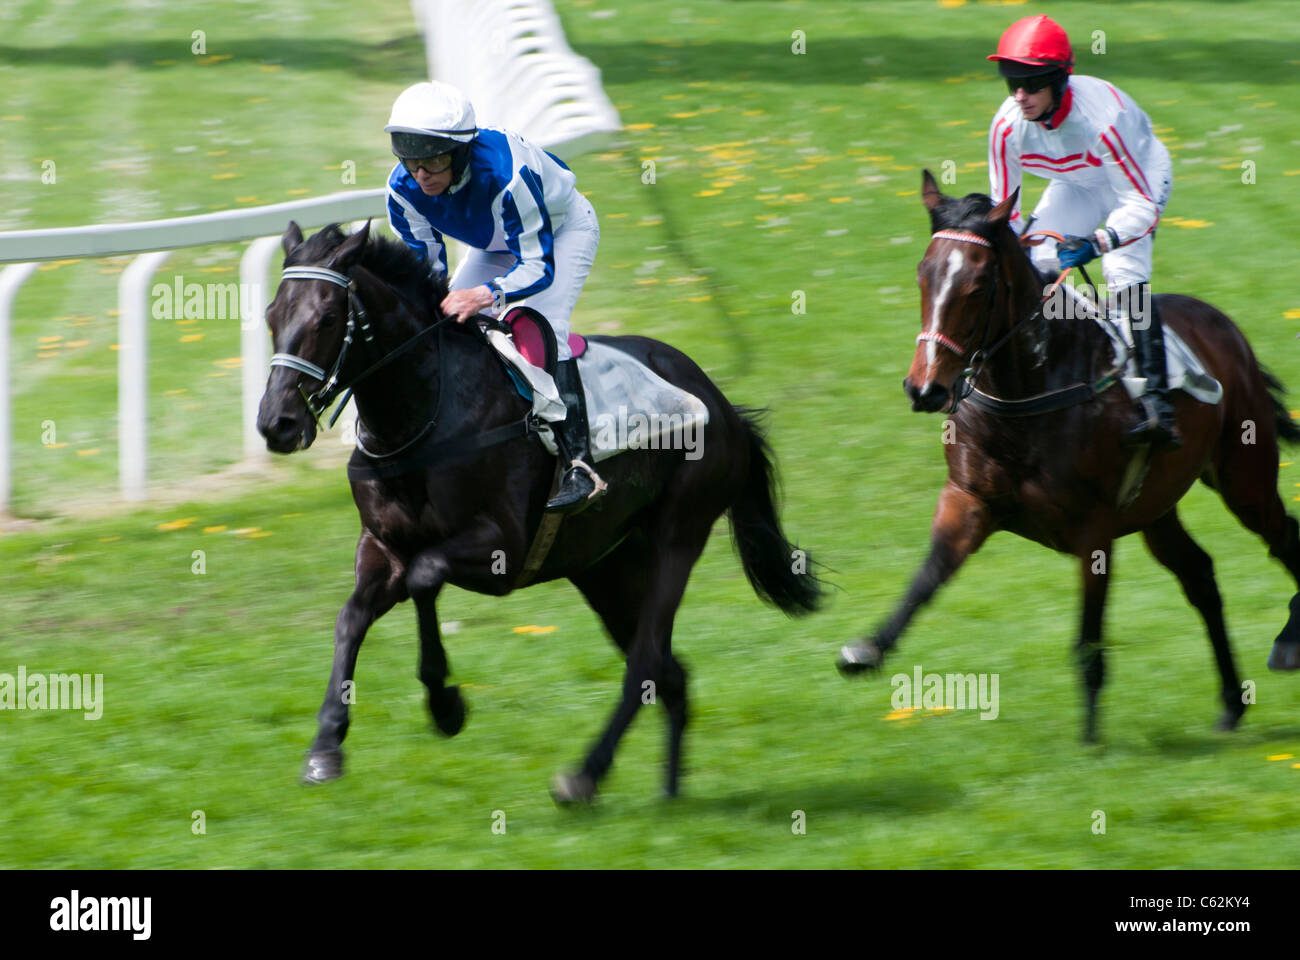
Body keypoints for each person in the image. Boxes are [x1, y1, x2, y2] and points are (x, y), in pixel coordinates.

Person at [384, 80, 606, 511]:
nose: (421, 174)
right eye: (410, 159)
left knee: (545, 331)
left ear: (462, 151)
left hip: (562, 233)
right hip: (495, 243)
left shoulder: (507, 177)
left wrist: (484, 295)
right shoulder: (403, 189)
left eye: (432, 159)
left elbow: (538, 267)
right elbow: (425, 273)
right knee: (449, 323)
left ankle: (582, 465)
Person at [987, 15, 1181, 450]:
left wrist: (1096, 243)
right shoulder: (1006, 127)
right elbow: (1009, 213)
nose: (1021, 96)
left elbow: (1140, 207)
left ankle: (1158, 408)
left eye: (1032, 84)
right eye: (1012, 83)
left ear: (1059, 81)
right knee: (1035, 263)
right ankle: (1045, 370)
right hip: (1077, 182)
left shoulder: (1103, 121)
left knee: (1123, 274)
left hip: (1137, 185)